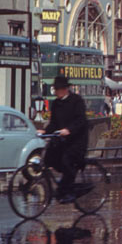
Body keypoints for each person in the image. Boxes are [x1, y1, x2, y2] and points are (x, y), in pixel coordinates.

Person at [42, 75, 89, 203]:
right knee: (49, 158)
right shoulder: (56, 103)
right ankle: (65, 183)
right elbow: (54, 123)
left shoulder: (76, 100)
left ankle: (69, 191)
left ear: (65, 89)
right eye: (55, 89)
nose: (56, 92)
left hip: (77, 140)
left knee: (67, 160)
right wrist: (45, 131)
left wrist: (69, 130)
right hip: (63, 140)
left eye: (58, 89)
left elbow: (81, 120)